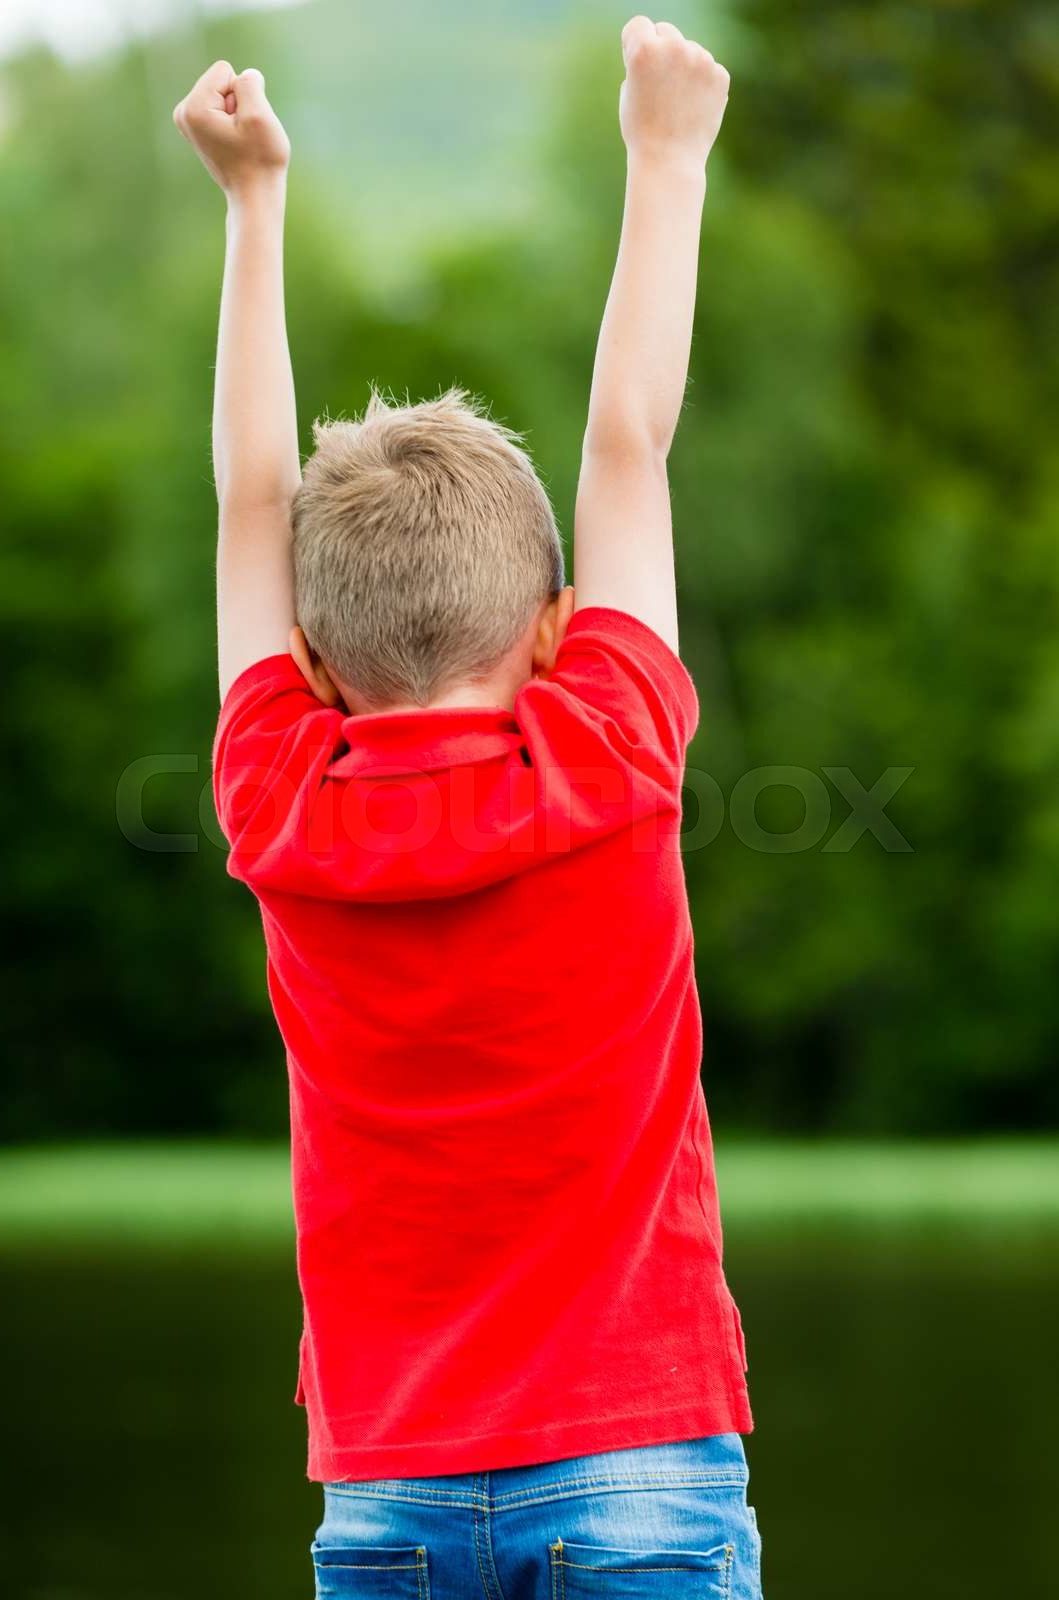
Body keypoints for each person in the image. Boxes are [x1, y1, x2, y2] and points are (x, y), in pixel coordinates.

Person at [173, 15, 761, 1597]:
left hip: (392, 1508)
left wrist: (251, 205)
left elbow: (245, 502)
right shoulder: (613, 754)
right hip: (647, 1479)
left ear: (309, 662)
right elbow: (631, 440)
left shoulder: (281, 801)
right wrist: (667, 154)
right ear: (562, 635)